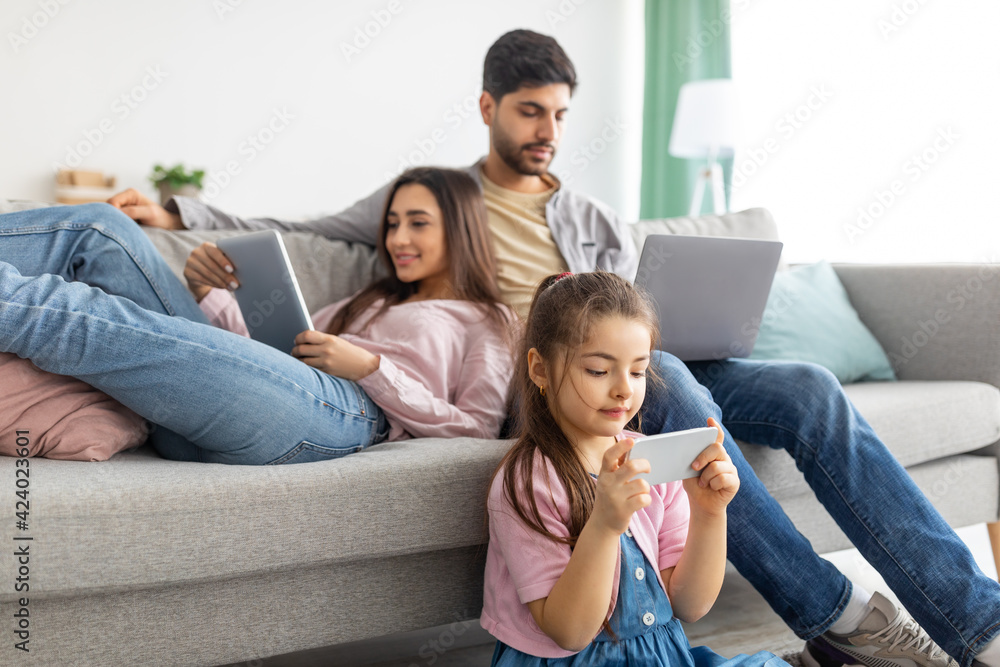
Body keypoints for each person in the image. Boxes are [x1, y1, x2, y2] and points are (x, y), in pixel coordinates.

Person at [106, 29, 999, 667]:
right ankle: (835, 615)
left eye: (562, 116)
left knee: (805, 387)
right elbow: (300, 225)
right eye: (531, 112)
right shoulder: (439, 197)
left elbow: (634, 310)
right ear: (488, 108)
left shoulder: (588, 214)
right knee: (666, 383)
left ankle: (977, 620)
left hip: (640, 358)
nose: (548, 131)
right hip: (560, 376)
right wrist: (178, 213)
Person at [0, 167, 515, 464]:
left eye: (418, 223)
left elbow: (478, 434)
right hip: (232, 401)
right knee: (103, 228)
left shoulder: (489, 320)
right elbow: (261, 360)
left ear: (461, 229)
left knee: (80, 314)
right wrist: (206, 290)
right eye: (393, 223)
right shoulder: (368, 300)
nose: (398, 238)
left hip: (349, 413)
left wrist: (372, 371)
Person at [482, 270, 778, 667]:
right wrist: (604, 524)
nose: (624, 388)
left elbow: (689, 606)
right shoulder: (527, 481)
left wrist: (710, 514)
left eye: (638, 371)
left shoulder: (651, 459)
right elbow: (569, 632)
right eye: (598, 370)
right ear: (539, 369)